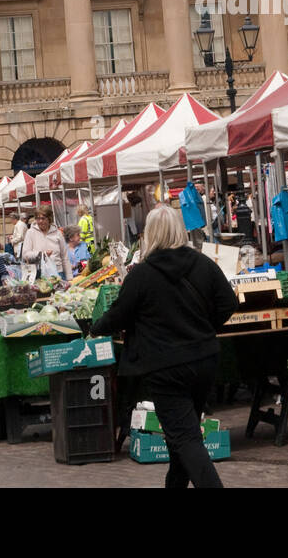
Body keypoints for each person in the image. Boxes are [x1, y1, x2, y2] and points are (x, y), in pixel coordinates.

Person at [91, 206, 237, 489]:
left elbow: (118, 315)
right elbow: (228, 303)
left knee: (185, 438)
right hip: (204, 360)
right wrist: (204, 329)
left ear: (151, 234)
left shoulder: (141, 274)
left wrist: (94, 328)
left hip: (166, 367)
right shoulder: (203, 264)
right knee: (181, 435)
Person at [21, 206, 69, 279]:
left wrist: (69, 277)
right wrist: (42, 254)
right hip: (39, 273)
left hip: (58, 273)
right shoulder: (30, 232)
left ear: (49, 219)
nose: (40, 221)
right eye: (38, 218)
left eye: (43, 218)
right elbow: (25, 254)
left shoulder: (57, 233)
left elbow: (64, 257)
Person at [179, 180, 207, 249]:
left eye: (198, 187)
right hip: (195, 223)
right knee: (198, 243)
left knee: (198, 242)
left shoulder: (195, 196)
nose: (197, 188)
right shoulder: (190, 195)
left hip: (197, 223)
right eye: (196, 187)